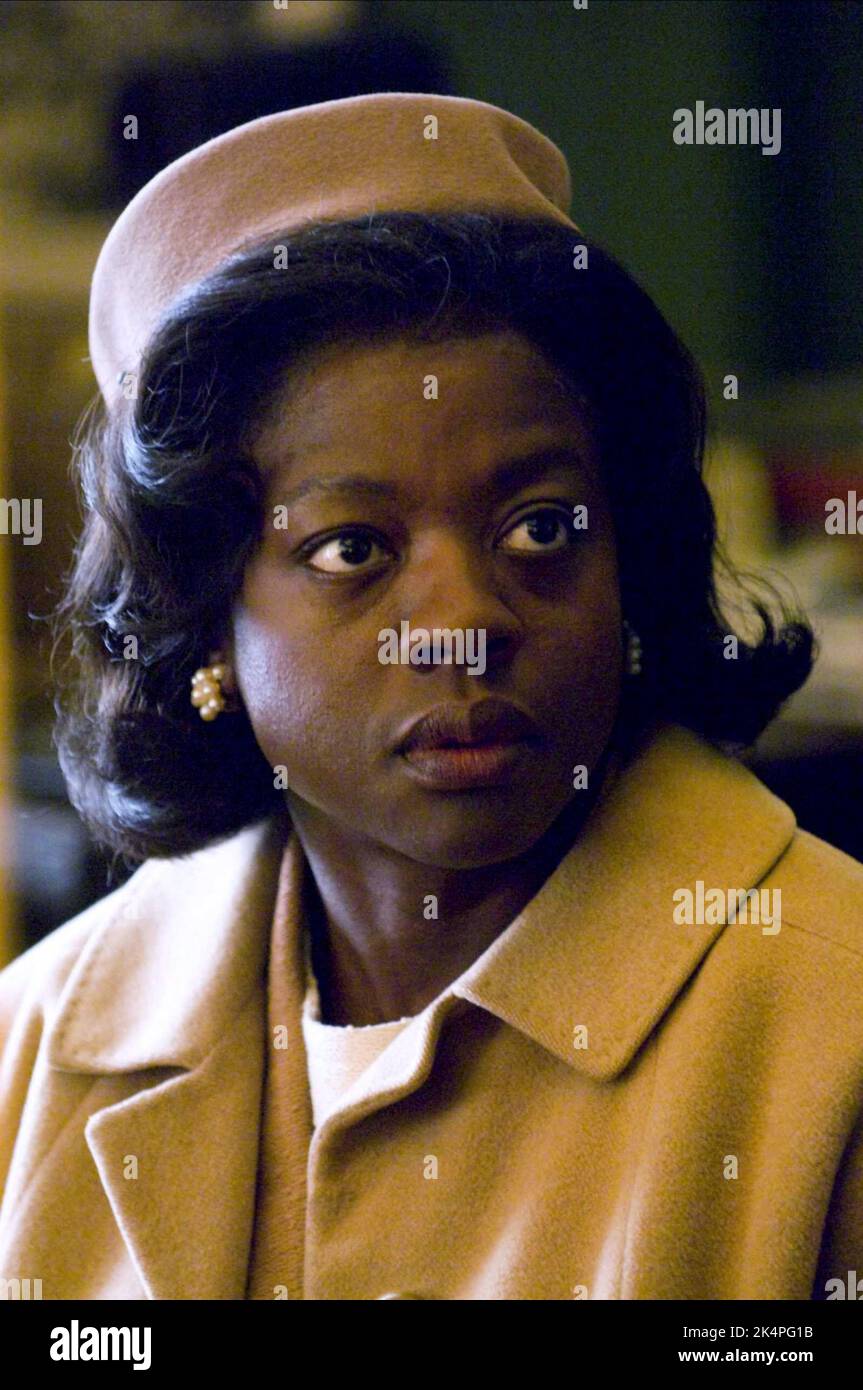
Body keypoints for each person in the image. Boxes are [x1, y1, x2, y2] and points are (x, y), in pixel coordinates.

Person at [1, 92, 861, 1302]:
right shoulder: (34, 1046)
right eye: (352, 549)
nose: (461, 622)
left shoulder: (830, 1023)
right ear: (205, 617)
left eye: (541, 527)